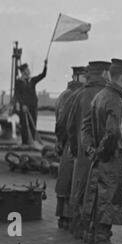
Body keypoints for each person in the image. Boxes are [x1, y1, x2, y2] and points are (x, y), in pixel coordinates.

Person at [86, 58, 122, 244]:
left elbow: (86, 127)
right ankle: (102, 240)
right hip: (113, 157)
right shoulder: (116, 100)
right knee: (109, 198)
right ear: (121, 77)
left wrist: (92, 150)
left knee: (99, 196)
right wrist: (104, 152)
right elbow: (114, 132)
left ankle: (93, 237)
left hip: (102, 156)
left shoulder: (99, 96)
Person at [67, 60, 112, 239]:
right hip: (100, 154)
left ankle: (77, 228)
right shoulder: (107, 95)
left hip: (82, 153)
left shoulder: (79, 94)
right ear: (103, 74)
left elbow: (70, 126)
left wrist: (76, 148)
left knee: (79, 188)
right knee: (97, 193)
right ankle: (93, 232)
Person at [52, 65, 87, 229]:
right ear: (77, 77)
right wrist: (64, 141)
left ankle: (65, 216)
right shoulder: (73, 95)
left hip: (66, 141)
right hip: (70, 142)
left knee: (66, 179)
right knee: (69, 180)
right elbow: (63, 123)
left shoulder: (66, 94)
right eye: (85, 76)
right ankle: (67, 217)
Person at [13, 60, 49, 144]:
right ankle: (25, 142)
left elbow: (43, 75)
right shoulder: (18, 82)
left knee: (33, 123)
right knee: (24, 125)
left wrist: (45, 66)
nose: (29, 71)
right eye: (27, 70)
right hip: (24, 107)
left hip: (33, 106)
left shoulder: (32, 80)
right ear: (23, 72)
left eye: (28, 70)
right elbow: (17, 95)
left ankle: (32, 141)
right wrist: (23, 105)